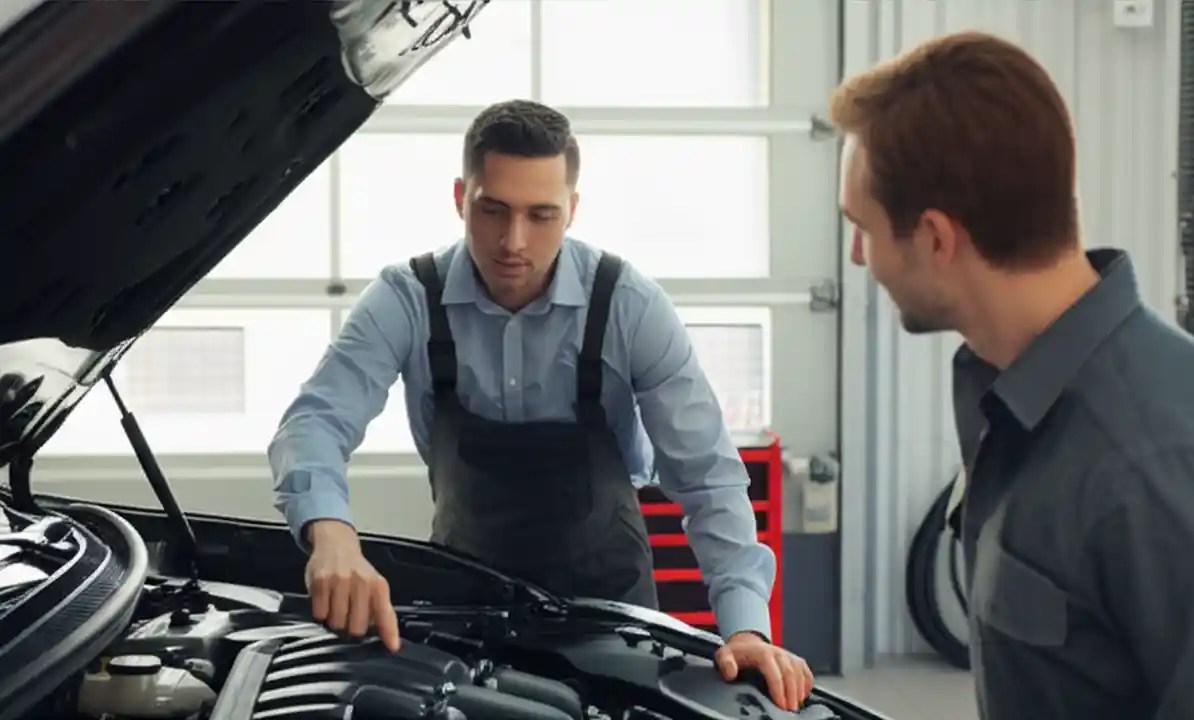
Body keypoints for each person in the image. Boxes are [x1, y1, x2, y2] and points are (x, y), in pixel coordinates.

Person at [268, 99, 813, 711]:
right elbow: (315, 420)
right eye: (492, 209)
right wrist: (332, 536)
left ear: (572, 210)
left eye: (541, 215)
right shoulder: (407, 299)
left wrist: (745, 627)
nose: (513, 242)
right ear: (459, 197)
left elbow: (708, 478)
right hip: (465, 605)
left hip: (613, 610)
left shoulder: (629, 306)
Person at [830, 30, 1194, 720]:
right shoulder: (1015, 393)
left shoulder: (1145, 464)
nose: (859, 257)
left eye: (862, 227)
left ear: (936, 238)